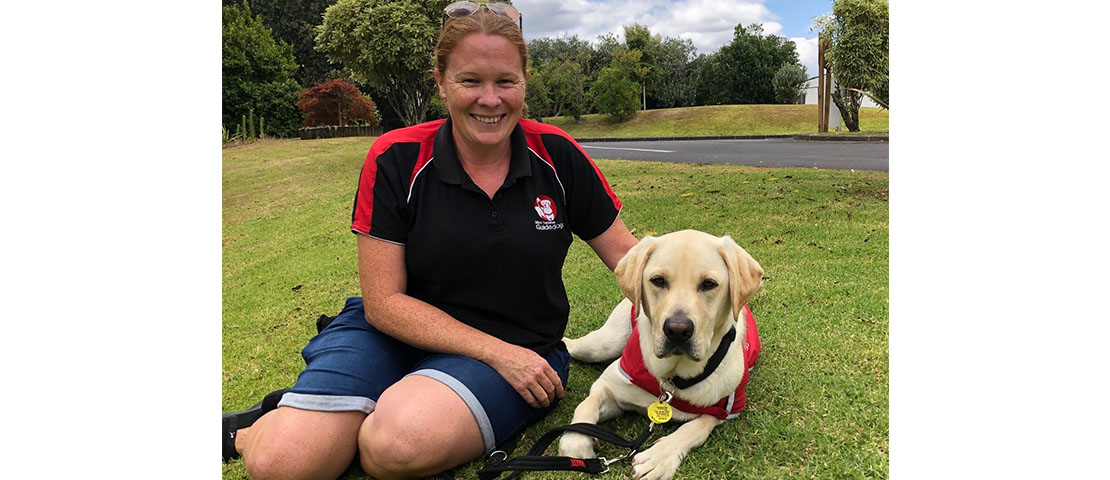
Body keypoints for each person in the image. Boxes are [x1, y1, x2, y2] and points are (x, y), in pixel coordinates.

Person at [222, 4, 639, 479]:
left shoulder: (557, 155)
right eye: (469, 81)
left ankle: (360, 415)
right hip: (394, 334)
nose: (490, 99)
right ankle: (256, 429)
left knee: (394, 445)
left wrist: (707, 308)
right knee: (283, 464)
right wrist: (495, 353)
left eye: (505, 81)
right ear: (440, 82)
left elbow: (632, 260)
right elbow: (383, 302)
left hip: (521, 344)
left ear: (525, 82)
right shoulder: (396, 157)